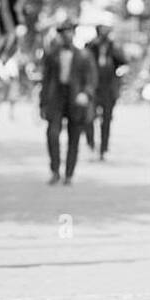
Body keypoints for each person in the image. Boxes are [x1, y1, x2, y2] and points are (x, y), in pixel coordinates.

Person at [40, 20, 97, 186]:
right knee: (52, 134)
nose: (67, 35)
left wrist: (86, 94)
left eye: (70, 31)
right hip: (56, 97)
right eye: (63, 32)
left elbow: (91, 79)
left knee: (74, 137)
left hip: (75, 99)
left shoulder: (84, 55)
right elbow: (46, 79)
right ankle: (55, 170)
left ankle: (69, 173)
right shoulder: (52, 54)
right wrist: (43, 103)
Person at [85, 22, 129, 159]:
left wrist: (112, 48)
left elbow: (123, 61)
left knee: (106, 119)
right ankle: (91, 144)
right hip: (93, 87)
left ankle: (103, 148)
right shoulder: (91, 46)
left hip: (108, 88)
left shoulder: (113, 47)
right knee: (89, 118)